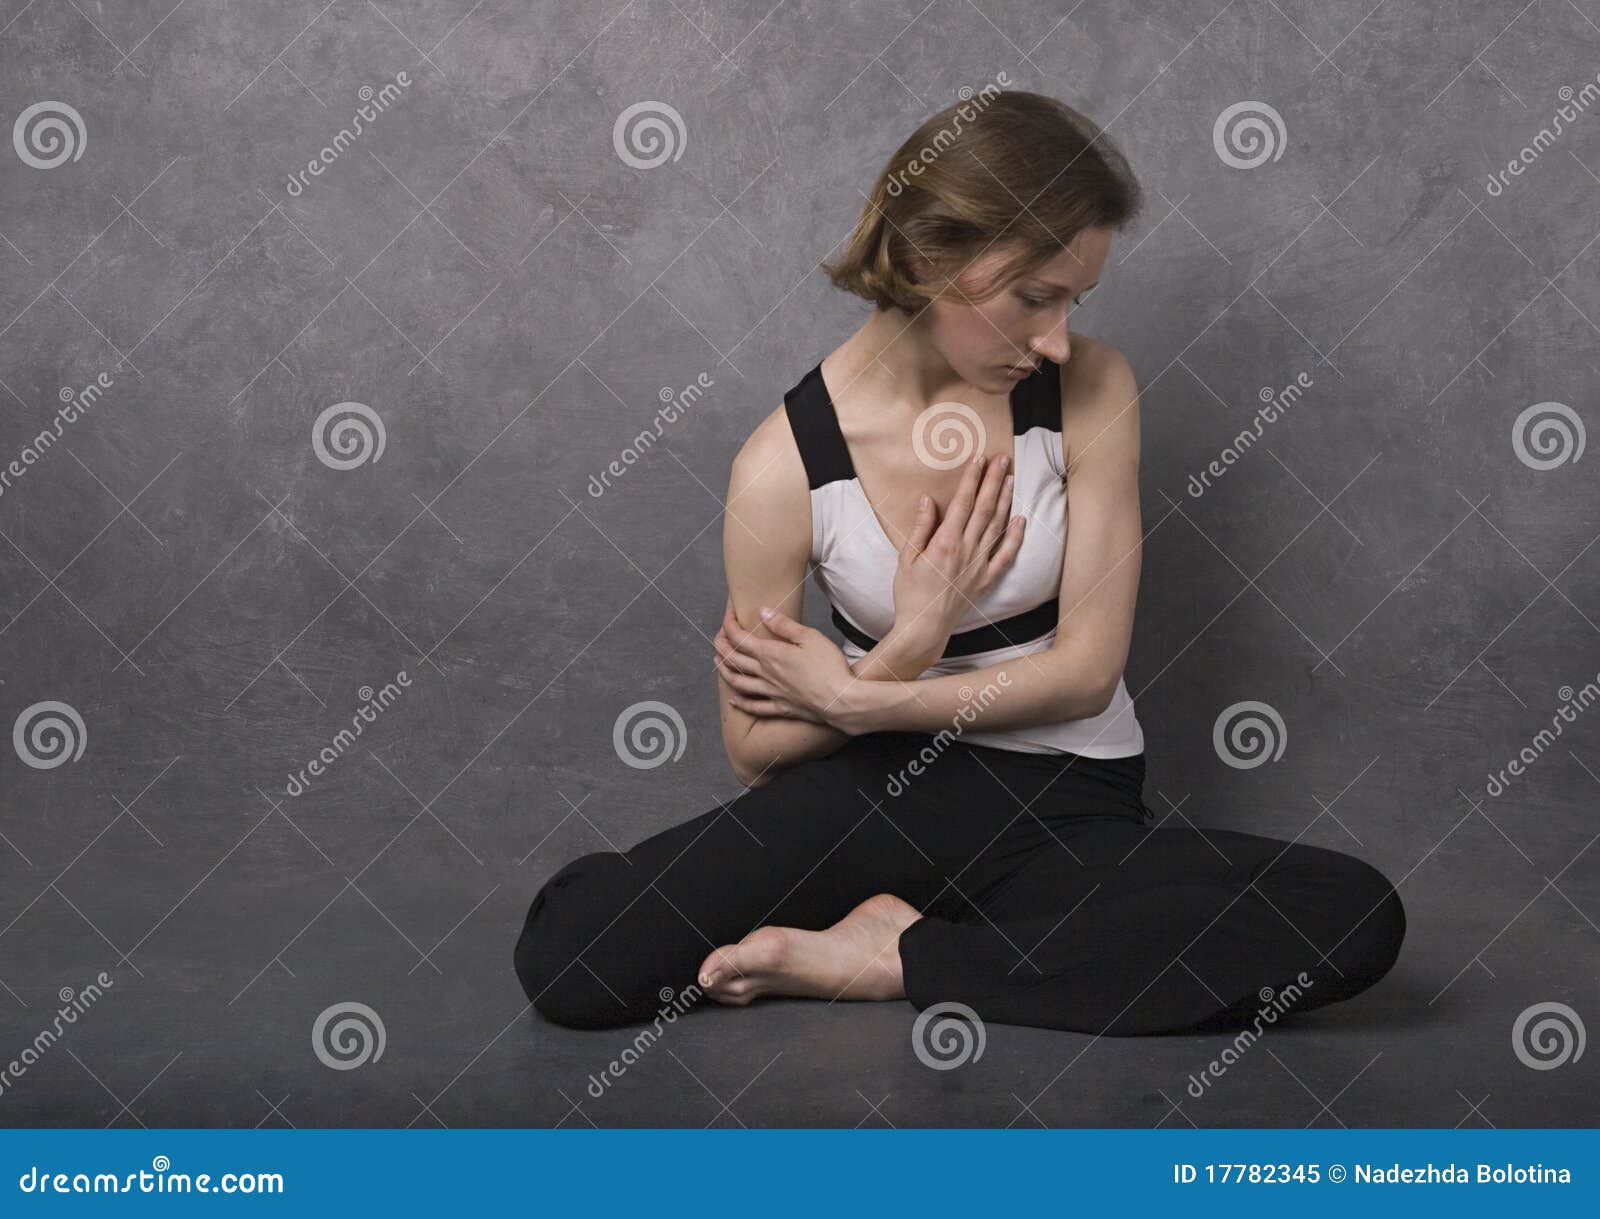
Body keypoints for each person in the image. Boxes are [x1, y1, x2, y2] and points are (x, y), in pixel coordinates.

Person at [513, 90, 1405, 1036]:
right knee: (574, 954)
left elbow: (1086, 671)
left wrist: (863, 700)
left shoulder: (1091, 391)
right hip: (881, 795)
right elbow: (753, 753)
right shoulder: (782, 467)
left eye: (1075, 299)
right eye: (1034, 297)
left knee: (1350, 911)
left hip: (1067, 797)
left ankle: (901, 956)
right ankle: (988, 951)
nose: (1058, 337)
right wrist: (910, 641)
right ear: (930, 258)